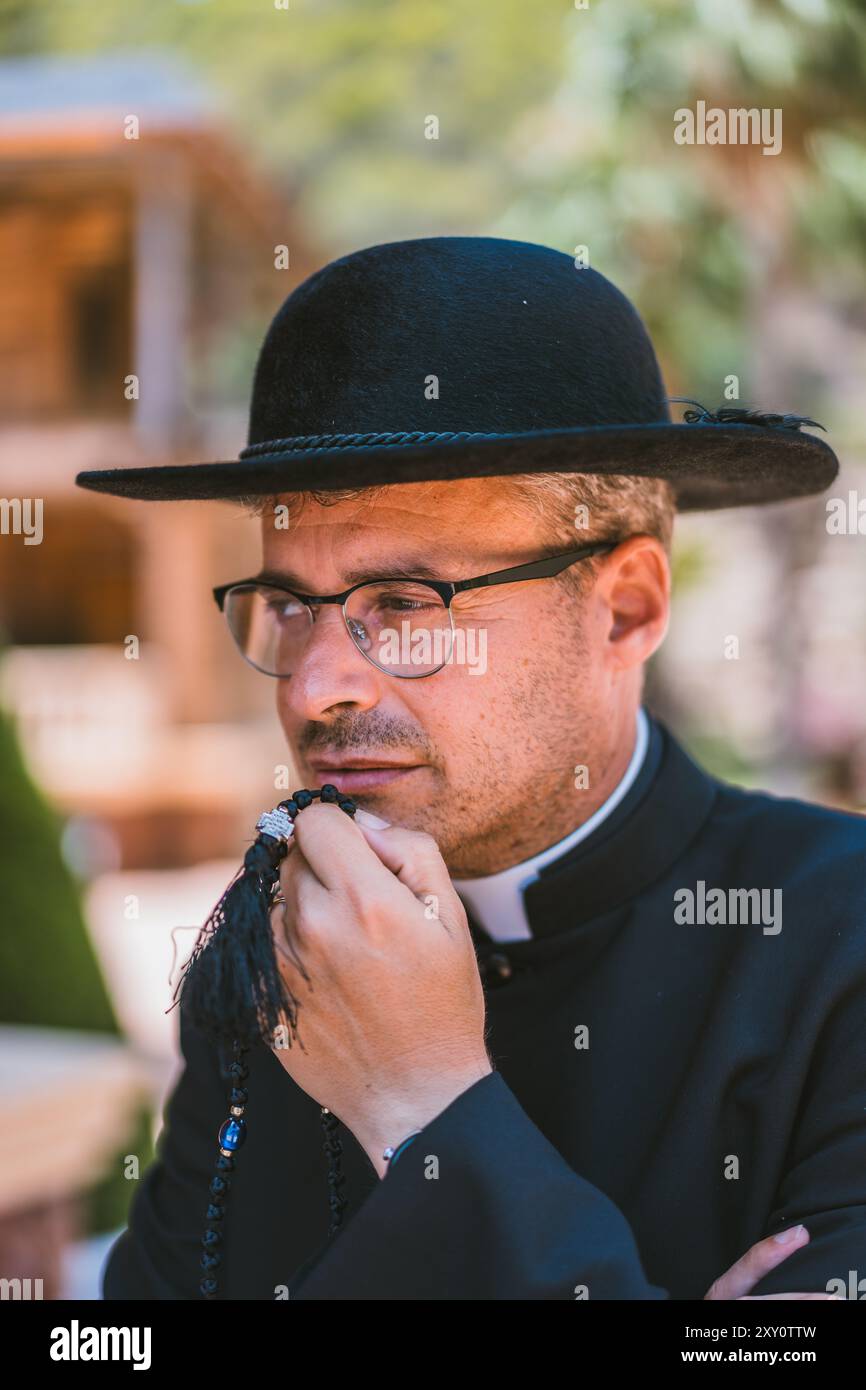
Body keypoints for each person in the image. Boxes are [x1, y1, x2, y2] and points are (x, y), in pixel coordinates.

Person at [77, 236, 864, 1300]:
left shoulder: (839, 949)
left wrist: (424, 1103)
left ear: (623, 607)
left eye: (401, 606)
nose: (313, 689)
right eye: (289, 609)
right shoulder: (275, 950)